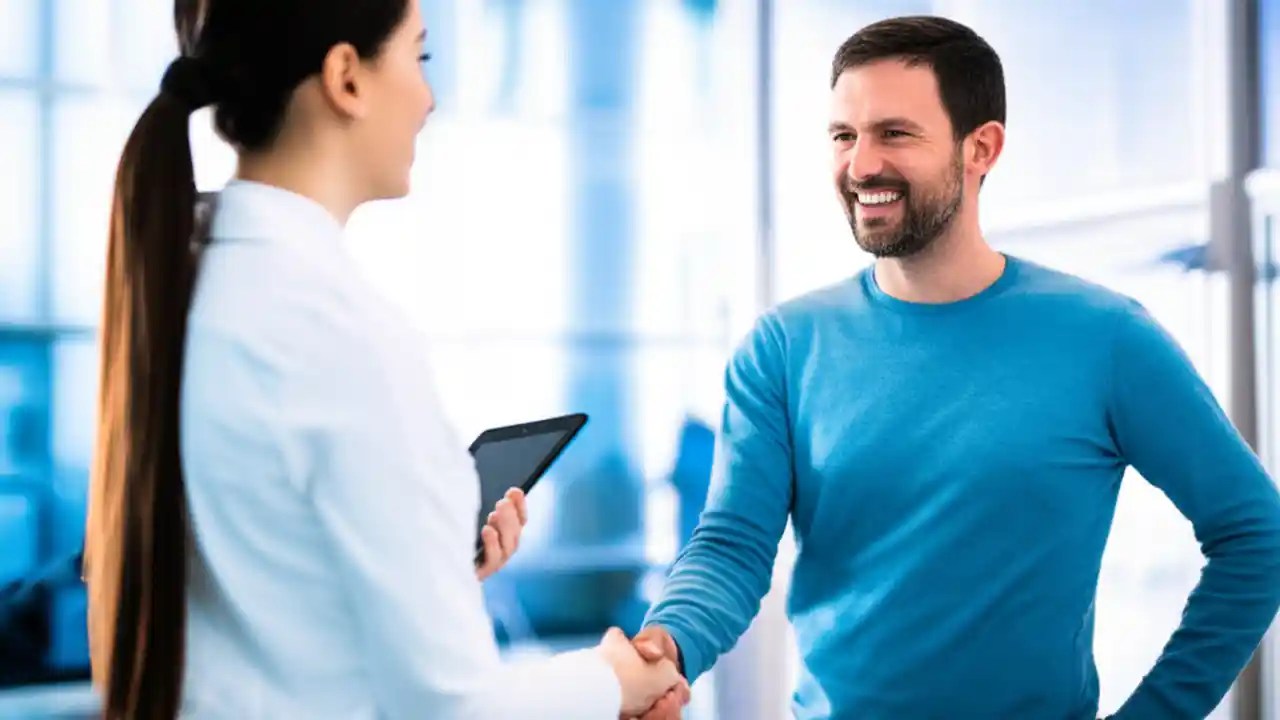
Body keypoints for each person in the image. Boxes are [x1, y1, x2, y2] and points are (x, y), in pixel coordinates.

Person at [631, 14, 1280, 720]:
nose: (861, 165)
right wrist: (669, 646)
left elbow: (1256, 534)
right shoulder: (784, 347)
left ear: (982, 149)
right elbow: (732, 546)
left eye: (895, 134)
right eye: (844, 135)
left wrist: (1158, 712)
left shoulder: (1105, 338)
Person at [81, 1, 686, 718]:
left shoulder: (184, 284)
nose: (429, 98)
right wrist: (610, 678)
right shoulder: (340, 333)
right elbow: (456, 709)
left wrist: (432, 574)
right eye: (420, 58)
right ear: (346, 78)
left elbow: (262, 597)